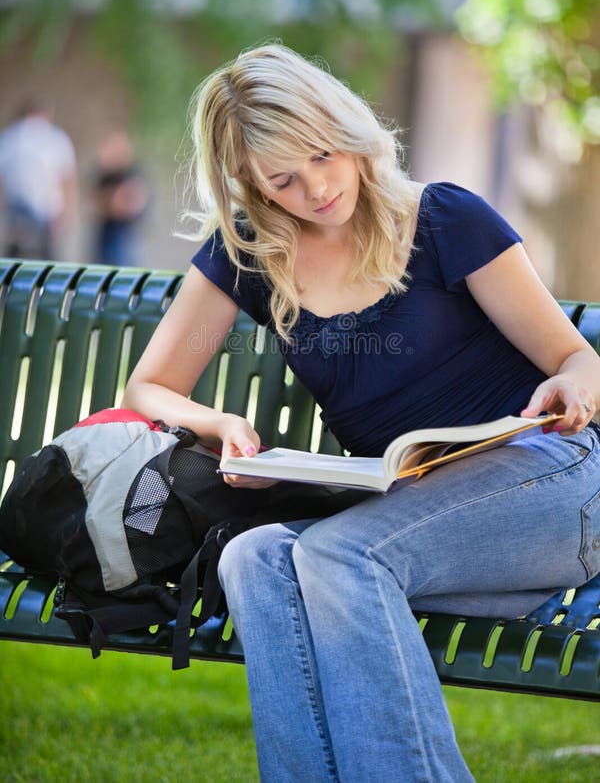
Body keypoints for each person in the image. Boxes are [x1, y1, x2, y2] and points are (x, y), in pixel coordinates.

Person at [122, 44, 600, 782]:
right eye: (283, 177)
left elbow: (578, 359)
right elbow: (148, 387)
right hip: (415, 517)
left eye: (323, 154)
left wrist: (573, 386)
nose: (316, 187)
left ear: (347, 131)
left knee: (340, 555)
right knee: (255, 558)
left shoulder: (444, 219)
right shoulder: (251, 256)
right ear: (249, 183)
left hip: (551, 486)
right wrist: (220, 428)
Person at [0, 98, 78, 260]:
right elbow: (66, 181)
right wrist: (66, 215)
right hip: (44, 213)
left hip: (23, 215)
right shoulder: (56, 139)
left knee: (16, 265)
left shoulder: (9, 138)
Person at [91, 129, 150, 266]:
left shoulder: (133, 172)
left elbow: (136, 203)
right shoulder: (103, 175)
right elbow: (94, 204)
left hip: (126, 239)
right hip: (104, 238)